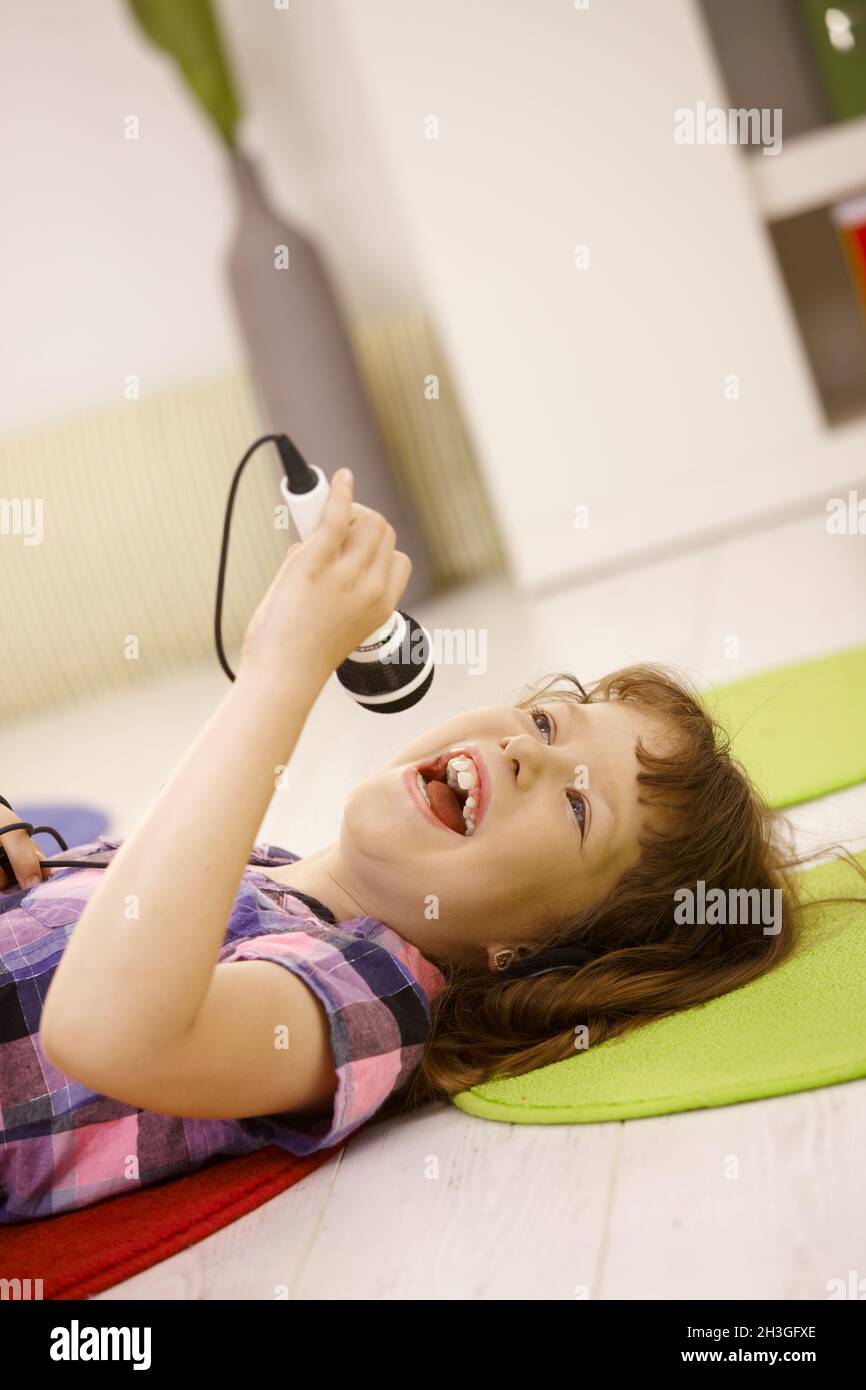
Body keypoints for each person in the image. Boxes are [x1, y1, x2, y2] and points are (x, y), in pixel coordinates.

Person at [0, 470, 855, 1222]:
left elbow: (107, 1030)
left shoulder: (372, 993)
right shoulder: (254, 864)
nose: (529, 751)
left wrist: (283, 670)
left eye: (578, 809)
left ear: (530, 954)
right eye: (549, 723)